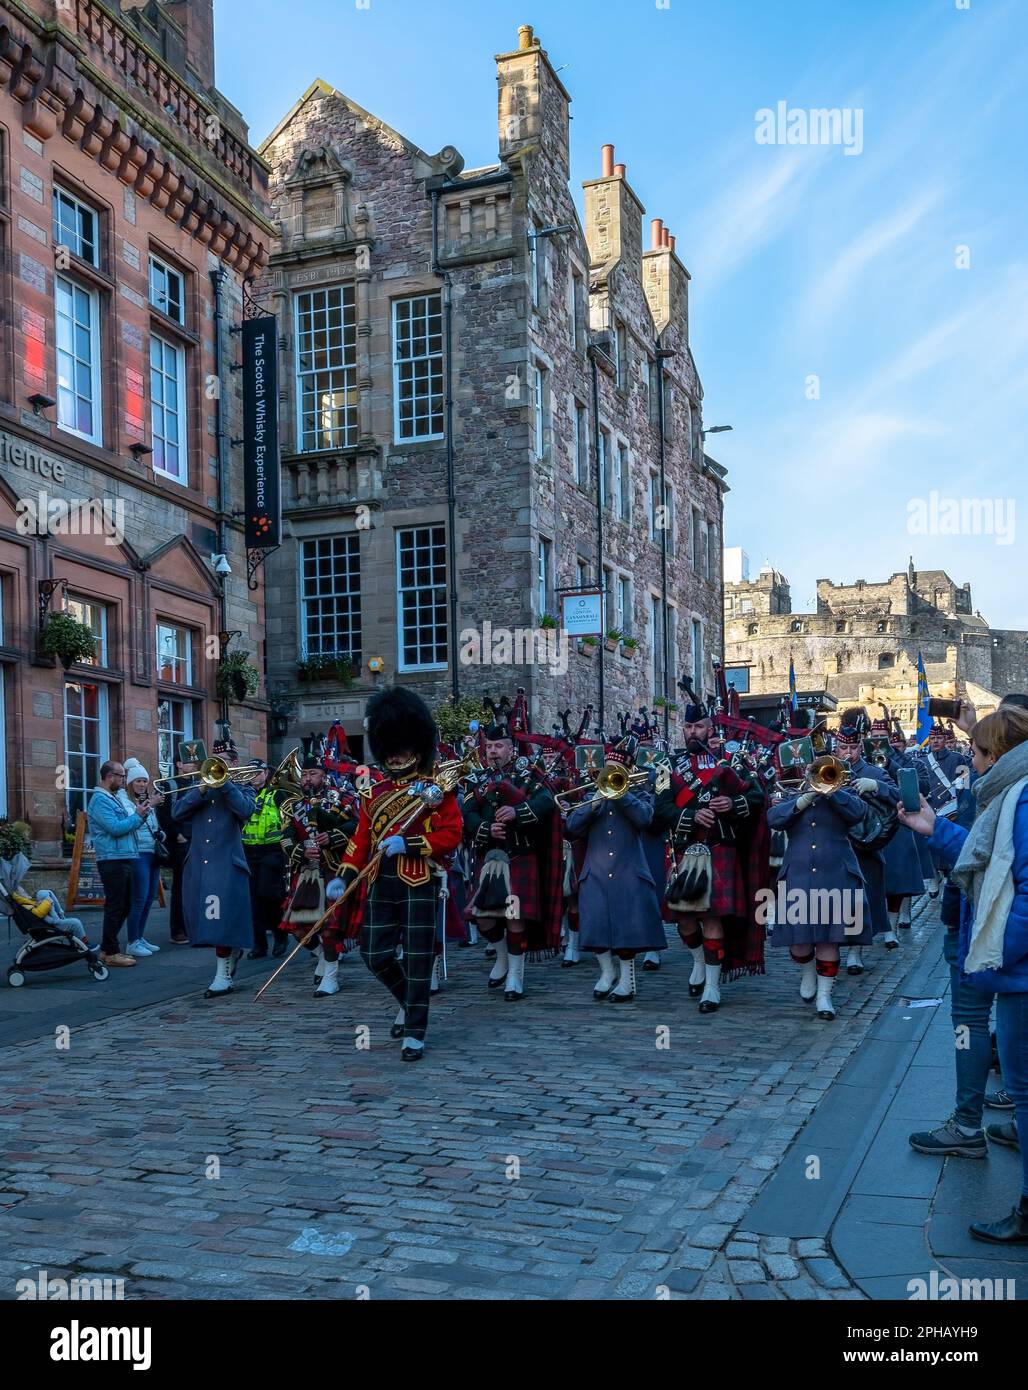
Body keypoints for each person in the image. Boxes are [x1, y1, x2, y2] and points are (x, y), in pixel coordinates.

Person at [899, 705, 1028, 1243]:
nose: (970, 761)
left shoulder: (1018, 800)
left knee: (1024, 1089)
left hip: (1015, 967)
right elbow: (980, 860)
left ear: (993, 755)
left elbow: (1021, 894)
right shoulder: (1009, 795)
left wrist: (993, 951)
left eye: (974, 751)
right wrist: (935, 830)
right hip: (1005, 961)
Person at [333, 687, 462, 1060]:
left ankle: (415, 1031)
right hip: (380, 880)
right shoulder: (375, 792)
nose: (394, 755)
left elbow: (451, 833)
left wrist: (413, 844)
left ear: (415, 746)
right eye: (390, 748)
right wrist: (345, 872)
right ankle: (408, 1001)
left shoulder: (435, 789)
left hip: (419, 878)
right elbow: (361, 837)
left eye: (402, 748)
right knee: (375, 954)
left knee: (419, 959)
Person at [653, 683, 767, 1013]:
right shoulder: (665, 766)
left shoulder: (730, 761)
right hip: (684, 851)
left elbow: (757, 796)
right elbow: (660, 809)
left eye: (699, 726)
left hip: (720, 849)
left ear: (710, 728)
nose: (693, 732)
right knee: (686, 921)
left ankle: (713, 987)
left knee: (713, 919)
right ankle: (699, 963)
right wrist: (690, 814)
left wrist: (731, 803)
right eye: (688, 726)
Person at [463, 712, 560, 1000]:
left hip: (520, 855)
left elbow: (548, 802)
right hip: (490, 856)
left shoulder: (530, 773)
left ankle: (516, 977)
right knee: (483, 919)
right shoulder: (476, 779)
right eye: (489, 747)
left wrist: (518, 812)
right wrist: (484, 828)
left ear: (511, 749)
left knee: (514, 917)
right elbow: (467, 813)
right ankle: (503, 957)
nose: (493, 752)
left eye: (499, 746)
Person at [767, 759, 872, 1019]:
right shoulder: (792, 794)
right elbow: (774, 819)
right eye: (817, 771)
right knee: (799, 944)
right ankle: (807, 972)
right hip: (799, 876)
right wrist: (803, 800)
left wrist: (832, 791)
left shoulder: (843, 793)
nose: (821, 776)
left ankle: (825, 997)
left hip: (835, 873)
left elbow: (859, 813)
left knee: (830, 937)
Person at [564, 735, 665, 1002]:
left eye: (616, 771)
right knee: (596, 925)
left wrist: (622, 794)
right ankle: (606, 973)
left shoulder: (639, 794)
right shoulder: (590, 795)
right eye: (607, 769)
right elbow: (572, 827)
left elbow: (644, 818)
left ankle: (627, 981)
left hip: (628, 869)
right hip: (595, 870)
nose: (610, 774)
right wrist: (595, 801)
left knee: (626, 930)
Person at [171, 745, 257, 999]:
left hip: (227, 862)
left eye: (222, 761)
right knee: (207, 921)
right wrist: (200, 789)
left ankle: (222, 975)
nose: (216, 765)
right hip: (199, 863)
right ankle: (226, 964)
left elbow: (246, 810)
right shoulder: (198, 787)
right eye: (213, 761)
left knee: (222, 920)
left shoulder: (242, 787)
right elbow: (176, 813)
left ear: (233, 763)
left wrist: (225, 784)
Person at [280, 756, 354, 995]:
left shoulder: (342, 799)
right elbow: (287, 837)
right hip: (307, 871)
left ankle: (331, 977)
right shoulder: (293, 806)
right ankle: (323, 954)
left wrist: (333, 837)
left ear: (324, 776)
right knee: (299, 928)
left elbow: (357, 827)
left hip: (333, 868)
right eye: (305, 774)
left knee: (330, 927)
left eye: (313, 773)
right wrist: (299, 850)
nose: (307, 778)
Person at [831, 712, 896, 973]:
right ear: (836, 747)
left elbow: (900, 796)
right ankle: (832, 950)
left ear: (861, 746)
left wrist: (877, 787)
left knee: (862, 900)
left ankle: (855, 953)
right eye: (843, 747)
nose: (848, 753)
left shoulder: (873, 771)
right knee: (835, 901)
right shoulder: (826, 768)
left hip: (865, 844)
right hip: (835, 845)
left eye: (853, 747)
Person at [86, 760, 152, 967]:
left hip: (123, 856)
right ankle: (110, 951)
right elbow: (115, 828)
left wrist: (141, 815)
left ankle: (108, 948)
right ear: (109, 776)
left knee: (123, 905)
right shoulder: (100, 800)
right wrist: (137, 816)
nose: (124, 780)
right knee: (116, 906)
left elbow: (127, 826)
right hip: (111, 858)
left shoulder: (112, 798)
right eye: (121, 775)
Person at [241, 760, 289, 960]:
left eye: (257, 772)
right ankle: (258, 944)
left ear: (266, 773)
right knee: (253, 900)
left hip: (272, 850)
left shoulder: (277, 794)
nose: (253, 776)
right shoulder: (243, 794)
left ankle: (280, 936)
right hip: (249, 851)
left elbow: (288, 819)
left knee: (269, 894)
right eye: (250, 772)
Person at [117, 759, 165, 957]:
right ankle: (132, 941)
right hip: (137, 853)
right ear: (129, 783)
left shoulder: (143, 800)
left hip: (151, 851)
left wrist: (161, 834)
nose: (143, 785)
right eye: (138, 781)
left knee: (148, 899)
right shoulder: (124, 801)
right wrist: (150, 805)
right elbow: (132, 822)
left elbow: (153, 825)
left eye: (145, 781)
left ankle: (139, 936)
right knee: (138, 898)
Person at [155, 745, 201, 944]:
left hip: (198, 839)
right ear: (179, 765)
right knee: (181, 886)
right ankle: (178, 929)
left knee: (197, 886)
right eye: (190, 762)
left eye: (195, 762)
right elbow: (163, 814)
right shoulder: (169, 785)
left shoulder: (199, 783)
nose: (194, 765)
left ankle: (194, 926)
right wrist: (177, 835)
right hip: (181, 842)